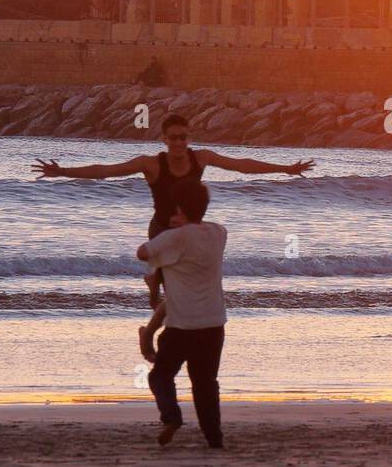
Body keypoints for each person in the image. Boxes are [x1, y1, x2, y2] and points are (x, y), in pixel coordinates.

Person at [32, 112, 312, 360]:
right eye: (173, 138)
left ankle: (150, 312)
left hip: (190, 232)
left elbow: (240, 164)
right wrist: (64, 171)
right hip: (162, 232)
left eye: (183, 137)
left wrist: (284, 168)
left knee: (177, 295)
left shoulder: (201, 157)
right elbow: (108, 171)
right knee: (172, 296)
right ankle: (152, 306)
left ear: (189, 137)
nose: (179, 143)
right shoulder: (151, 164)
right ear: (164, 139)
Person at [137, 181, 227, 448]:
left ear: (180, 210)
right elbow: (196, 232)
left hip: (181, 326)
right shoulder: (219, 232)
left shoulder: (175, 237)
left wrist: (172, 232)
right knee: (205, 383)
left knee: (160, 376)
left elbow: (142, 252)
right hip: (213, 323)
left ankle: (172, 417)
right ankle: (214, 439)